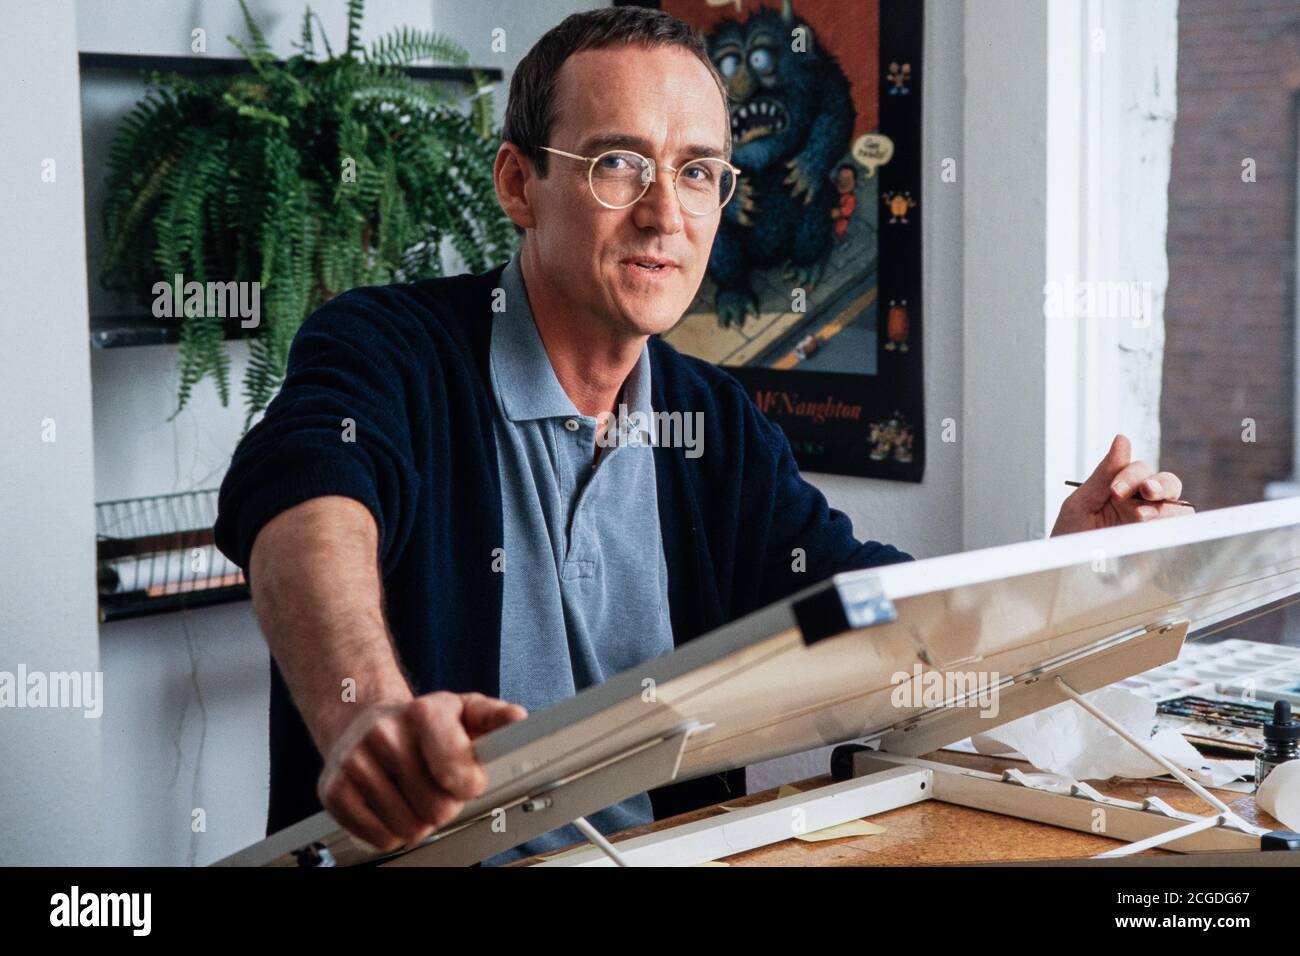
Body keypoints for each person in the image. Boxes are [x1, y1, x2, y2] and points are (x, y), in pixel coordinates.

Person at [213, 6, 1192, 865]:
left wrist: (1068, 571)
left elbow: (877, 618)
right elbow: (306, 498)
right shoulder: (393, 347)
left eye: (697, 173)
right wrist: (368, 713)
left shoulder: (714, 426)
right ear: (518, 184)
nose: (663, 213)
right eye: (618, 164)